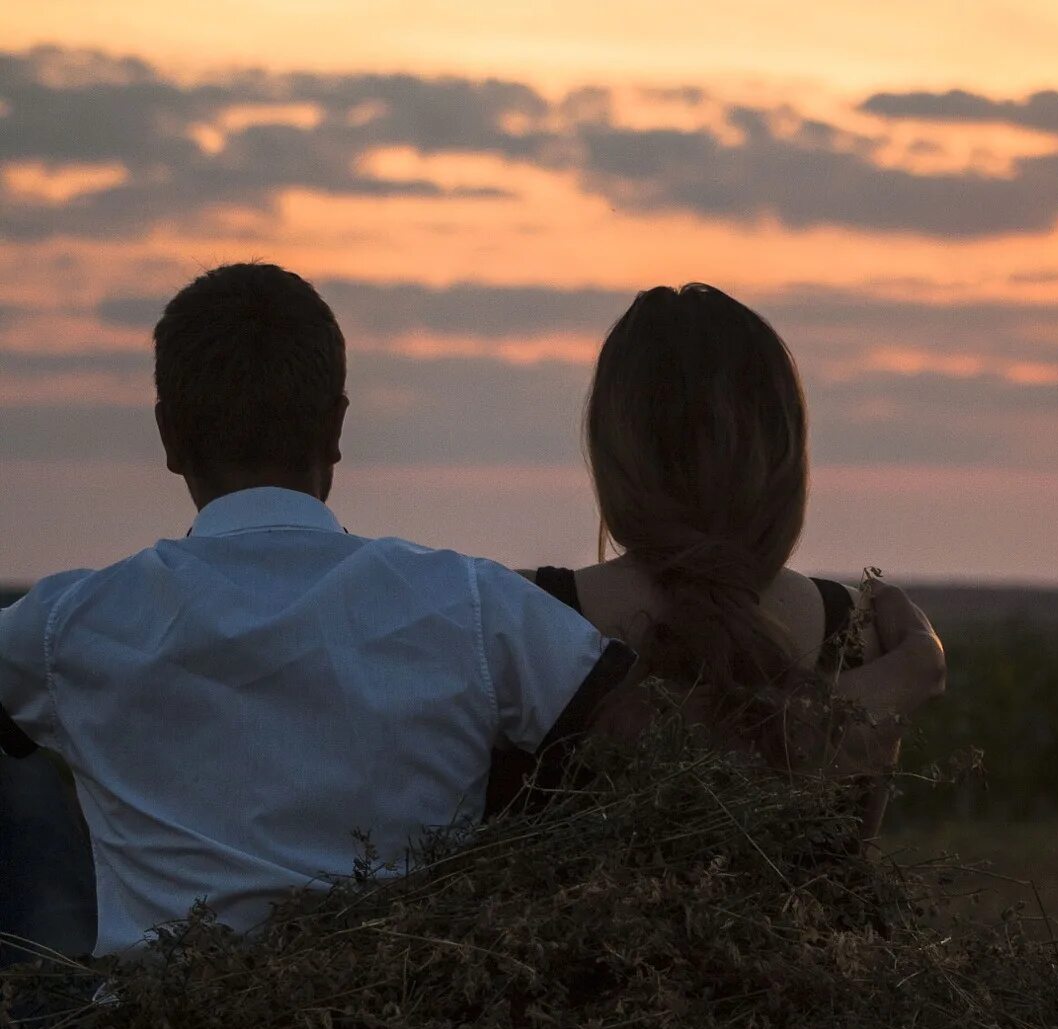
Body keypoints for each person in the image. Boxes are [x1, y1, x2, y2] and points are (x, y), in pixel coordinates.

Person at [0, 264, 943, 961]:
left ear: (166, 436)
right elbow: (694, 764)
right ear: (338, 425)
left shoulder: (63, 625)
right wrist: (901, 679)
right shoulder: (466, 607)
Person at [508, 283, 934, 832]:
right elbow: (848, 878)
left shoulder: (516, 616)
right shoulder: (861, 633)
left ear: (615, 450)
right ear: (783, 452)